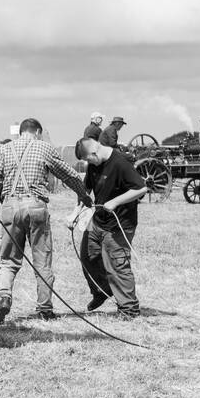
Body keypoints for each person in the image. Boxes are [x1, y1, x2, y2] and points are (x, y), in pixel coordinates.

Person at [0, 118, 92, 323]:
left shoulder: (5, 149)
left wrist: (6, 201)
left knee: (8, 260)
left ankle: (4, 297)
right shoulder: (44, 147)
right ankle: (44, 308)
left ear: (21, 131)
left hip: (9, 206)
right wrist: (84, 195)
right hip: (35, 206)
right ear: (37, 132)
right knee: (42, 260)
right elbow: (68, 174)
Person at [73, 136, 148, 318]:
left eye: (87, 159)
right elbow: (86, 192)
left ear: (94, 152)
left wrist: (115, 201)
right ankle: (101, 291)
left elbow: (141, 188)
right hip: (98, 221)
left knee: (117, 265)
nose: (87, 163)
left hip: (119, 224)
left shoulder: (120, 163)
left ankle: (129, 309)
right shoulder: (94, 165)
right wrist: (75, 213)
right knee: (88, 257)